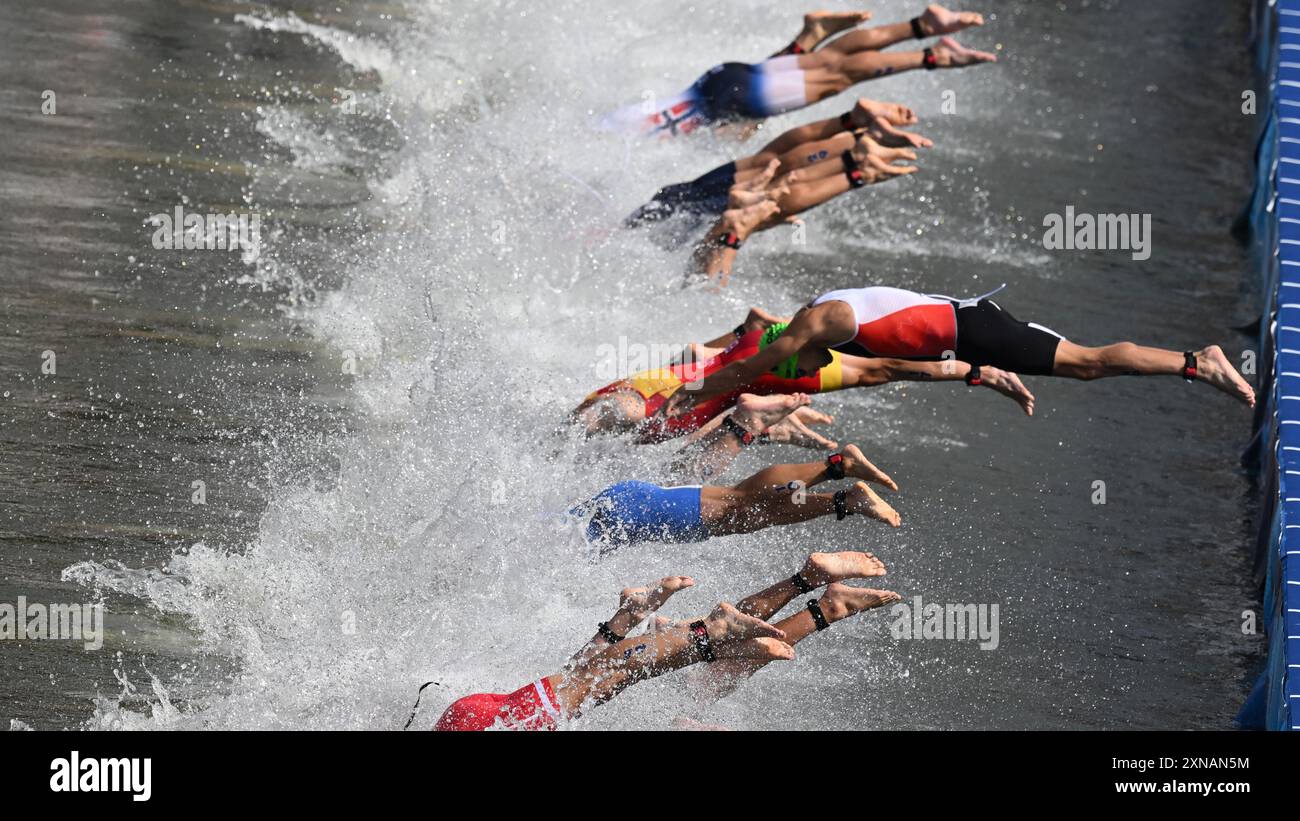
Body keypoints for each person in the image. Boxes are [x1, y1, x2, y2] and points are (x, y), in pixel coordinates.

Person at [432, 553, 900, 730]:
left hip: (483, 723)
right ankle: (814, 591)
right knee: (585, 680)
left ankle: (711, 628)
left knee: (602, 679)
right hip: (470, 714)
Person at [662, 285, 1258, 417]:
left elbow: (748, 368)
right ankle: (1193, 363)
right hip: (969, 330)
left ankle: (1197, 361)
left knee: (1087, 363)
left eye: (803, 366)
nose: (816, 372)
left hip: (973, 329)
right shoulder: (816, 320)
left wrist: (688, 393)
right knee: (1086, 366)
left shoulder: (822, 323)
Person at [569, 313, 1035, 446]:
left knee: (606, 420)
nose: (822, 367)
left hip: (664, 391)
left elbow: (751, 321)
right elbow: (891, 369)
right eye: (819, 359)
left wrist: (975, 370)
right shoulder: (785, 368)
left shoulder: (771, 343)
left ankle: (554, 441)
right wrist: (976, 371)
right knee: (621, 414)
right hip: (660, 403)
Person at [602, 5, 994, 138]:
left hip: (732, 98)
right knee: (825, 63)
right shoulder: (619, 118)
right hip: (721, 79)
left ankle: (933, 55)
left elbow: (715, 136)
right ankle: (919, 25)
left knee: (837, 76)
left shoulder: (627, 138)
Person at [575, 397, 904, 551]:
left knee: (738, 504)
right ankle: (846, 500)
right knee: (748, 516)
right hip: (625, 516)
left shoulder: (554, 542)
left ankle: (836, 465)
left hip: (626, 514)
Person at [626, 97, 930, 231]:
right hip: (677, 215)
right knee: (767, 172)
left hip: (672, 211)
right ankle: (854, 142)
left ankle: (854, 137)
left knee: (766, 170)